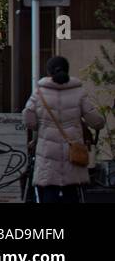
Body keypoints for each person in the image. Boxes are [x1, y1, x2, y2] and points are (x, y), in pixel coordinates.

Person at [23, 55, 105, 203]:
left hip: (47, 155)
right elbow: (96, 121)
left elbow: (28, 117)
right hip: (72, 155)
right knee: (72, 192)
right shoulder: (79, 92)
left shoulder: (39, 93)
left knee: (48, 190)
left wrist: (39, 126)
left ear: (49, 73)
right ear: (67, 70)